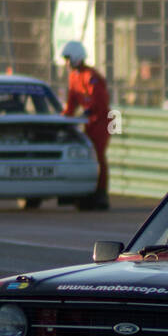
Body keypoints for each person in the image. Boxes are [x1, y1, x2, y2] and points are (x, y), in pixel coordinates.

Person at [60, 40, 111, 210]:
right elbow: (71, 102)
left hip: (101, 122)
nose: (67, 63)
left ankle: (101, 193)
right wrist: (63, 118)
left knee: (98, 155)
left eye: (68, 59)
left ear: (77, 57)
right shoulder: (73, 77)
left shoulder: (92, 77)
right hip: (88, 122)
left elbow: (100, 103)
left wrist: (87, 113)